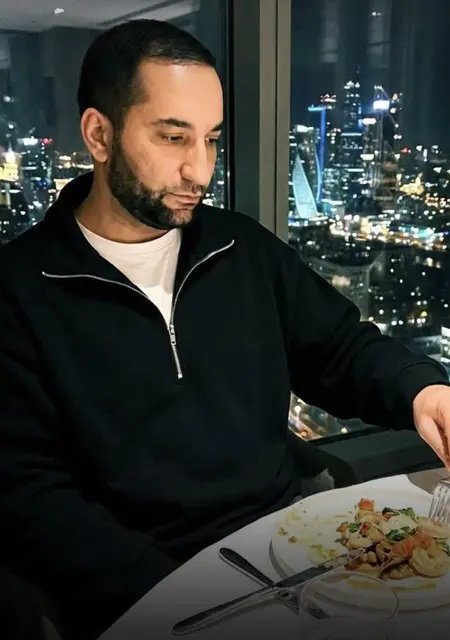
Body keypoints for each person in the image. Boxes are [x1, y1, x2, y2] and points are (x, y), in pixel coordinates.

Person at [0, 18, 449, 640]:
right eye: (173, 137)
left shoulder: (242, 249)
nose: (200, 170)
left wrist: (423, 390)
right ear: (99, 134)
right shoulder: (19, 292)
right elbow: (28, 495)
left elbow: (340, 347)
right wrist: (178, 598)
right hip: (147, 588)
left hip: (290, 544)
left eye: (211, 139)